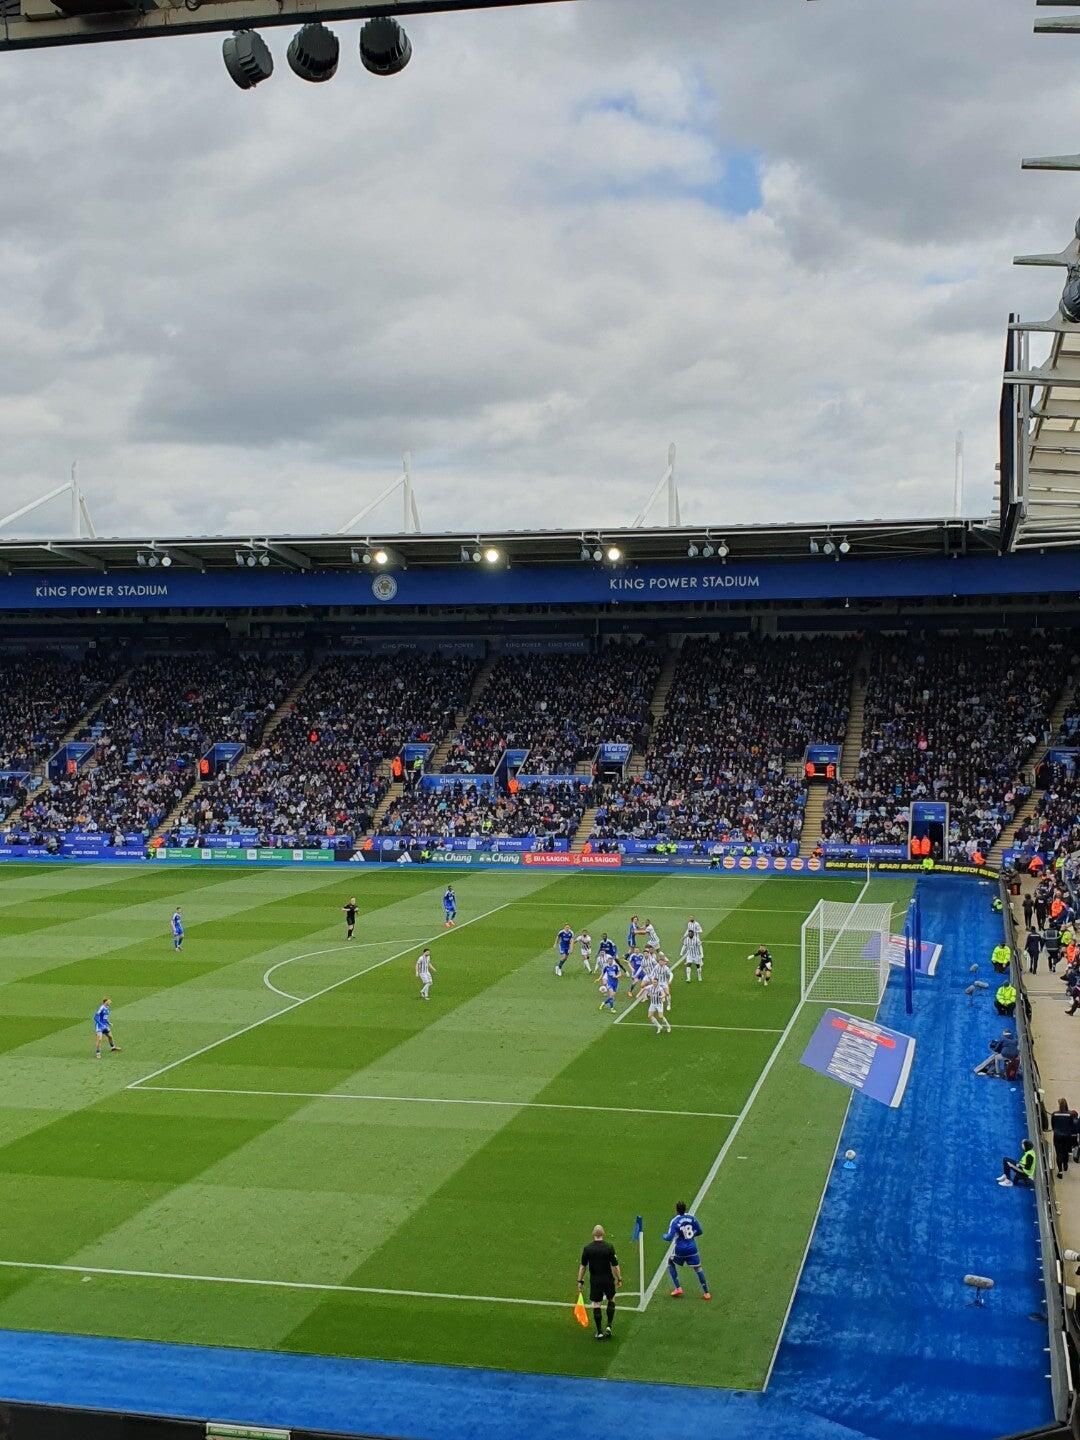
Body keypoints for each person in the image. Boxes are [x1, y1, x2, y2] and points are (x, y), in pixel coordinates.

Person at [577, 1224, 621, 1340]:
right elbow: (615, 1266)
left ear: (593, 1234)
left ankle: (599, 1332)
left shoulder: (588, 1249)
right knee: (611, 1299)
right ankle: (609, 1326)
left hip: (595, 1280)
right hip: (608, 1279)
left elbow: (583, 1266)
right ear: (603, 1234)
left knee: (597, 1304)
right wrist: (619, 1278)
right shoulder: (609, 1247)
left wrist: (580, 1281)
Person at [663, 1202, 711, 1300]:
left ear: (676, 1210)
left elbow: (669, 1237)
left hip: (680, 1249)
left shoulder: (674, 1221)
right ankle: (706, 1293)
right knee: (698, 1269)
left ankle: (678, 1288)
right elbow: (700, 1231)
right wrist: (691, 1235)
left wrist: (663, 1236)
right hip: (692, 1248)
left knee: (670, 1262)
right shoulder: (692, 1218)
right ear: (685, 1209)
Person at [1052, 1099, 1074, 1179]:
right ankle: (1065, 1164)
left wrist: (1057, 1131)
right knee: (1065, 1151)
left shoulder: (1054, 1114)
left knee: (1059, 1153)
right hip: (1067, 1136)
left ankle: (1060, 1172)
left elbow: (1053, 1125)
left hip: (1057, 1136)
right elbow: (1071, 1125)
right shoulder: (1070, 1115)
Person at [681, 917, 704, 982]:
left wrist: (701, 955)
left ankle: (699, 976)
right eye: (689, 918)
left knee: (697, 965)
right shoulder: (689, 924)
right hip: (690, 954)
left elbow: (701, 930)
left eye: (691, 918)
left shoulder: (696, 924)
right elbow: (684, 945)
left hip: (696, 952)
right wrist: (684, 936)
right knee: (688, 964)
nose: (690, 919)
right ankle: (688, 978)